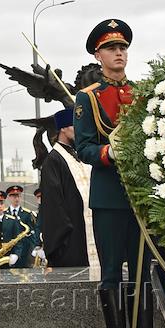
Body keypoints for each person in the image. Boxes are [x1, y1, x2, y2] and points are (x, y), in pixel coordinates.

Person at [74, 18, 165, 328]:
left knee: (142, 272)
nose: (119, 53)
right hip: (109, 197)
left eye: (122, 48)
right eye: (111, 48)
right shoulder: (87, 98)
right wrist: (109, 153)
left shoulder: (142, 93)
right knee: (111, 275)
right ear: (98, 55)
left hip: (142, 195)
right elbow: (85, 147)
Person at [39, 107, 94, 268]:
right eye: (75, 126)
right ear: (63, 128)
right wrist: (64, 240)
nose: (80, 130)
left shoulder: (79, 157)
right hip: (71, 243)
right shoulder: (53, 161)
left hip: (88, 237)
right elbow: (54, 207)